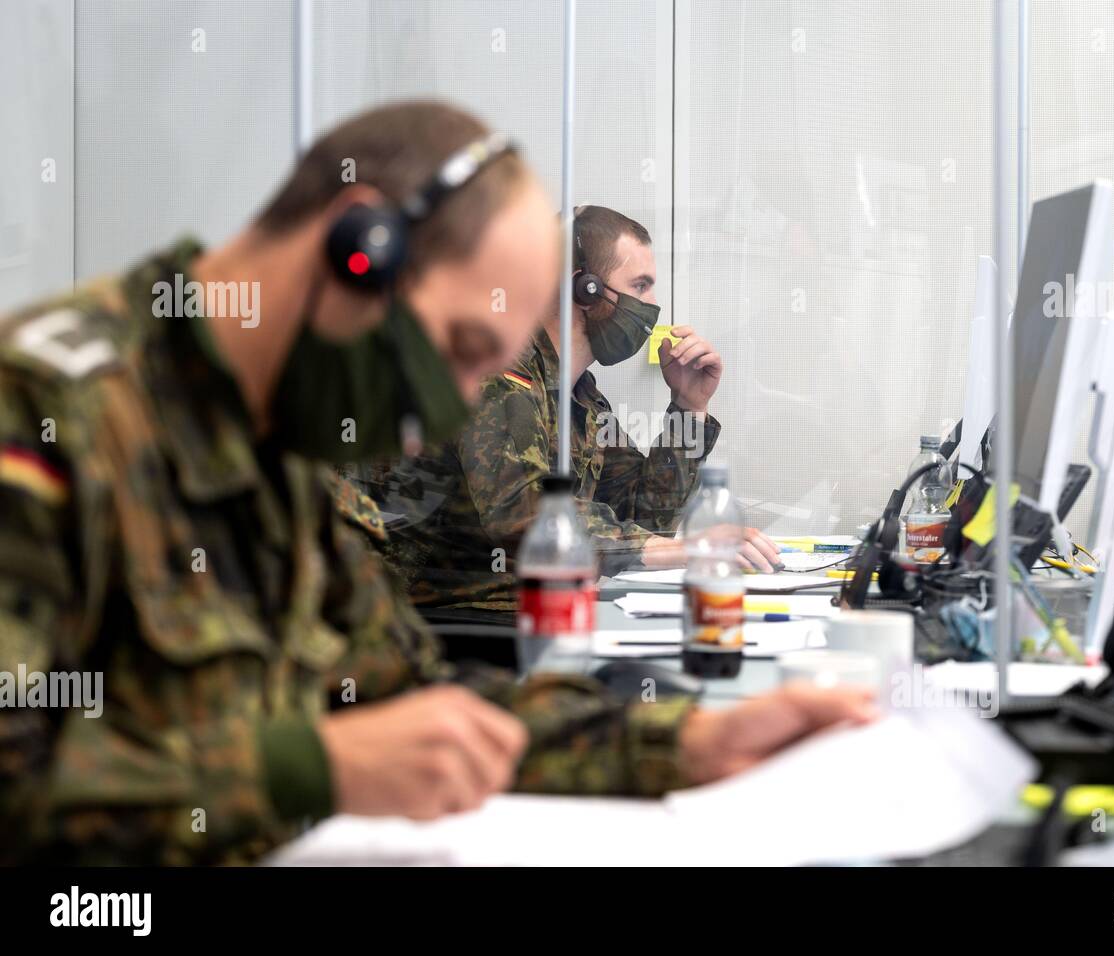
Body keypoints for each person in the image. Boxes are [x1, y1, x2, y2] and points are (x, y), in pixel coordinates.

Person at [0, 101, 874, 865]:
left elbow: (420, 697)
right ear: (358, 245)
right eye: (456, 352)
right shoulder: (49, 412)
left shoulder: (287, 442)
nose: (455, 406)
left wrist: (688, 742)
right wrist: (314, 766)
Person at [350, 205, 781, 614]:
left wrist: (688, 406)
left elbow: (643, 521)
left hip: (522, 613)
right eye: (640, 286)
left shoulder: (581, 396)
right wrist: (689, 549)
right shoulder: (498, 372)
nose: (650, 309)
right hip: (451, 622)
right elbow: (523, 513)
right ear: (584, 288)